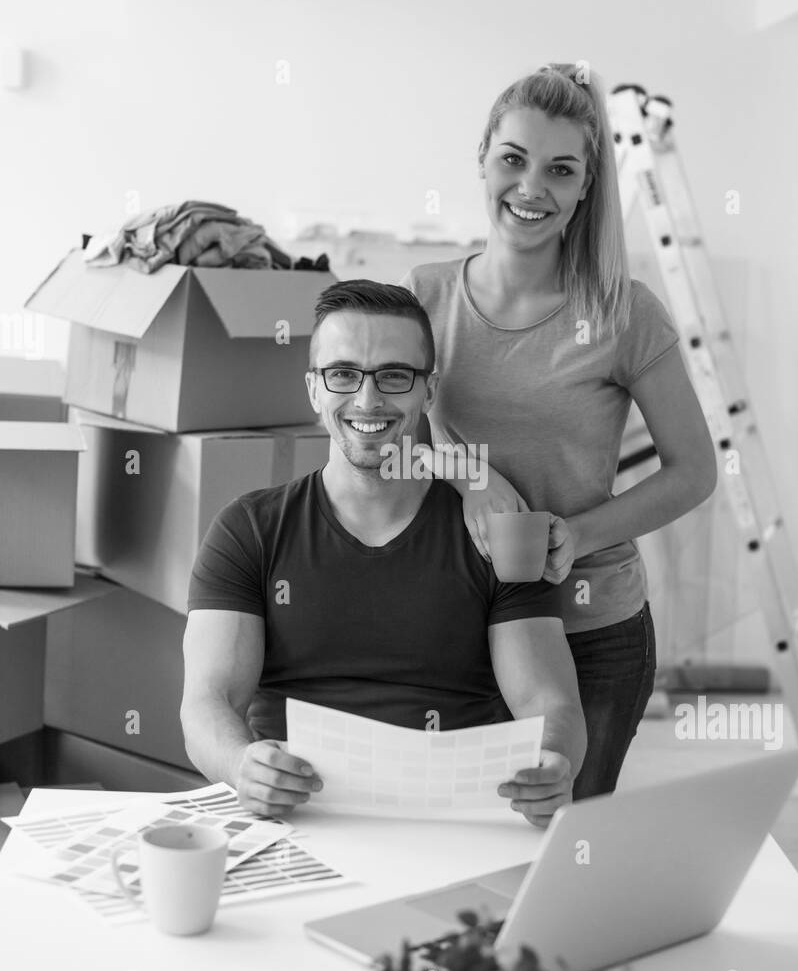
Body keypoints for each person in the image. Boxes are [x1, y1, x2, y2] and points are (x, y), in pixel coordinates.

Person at [402, 62, 718, 800]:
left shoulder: (622, 312)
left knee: (563, 840)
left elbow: (693, 471)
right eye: (512, 159)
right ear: (481, 157)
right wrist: (470, 475)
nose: (531, 188)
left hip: (591, 626)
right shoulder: (422, 296)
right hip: (459, 616)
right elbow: (384, 446)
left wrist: (577, 535)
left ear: (584, 189)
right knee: (461, 844)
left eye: (560, 170)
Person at [181, 280, 586, 828]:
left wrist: (554, 763)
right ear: (314, 390)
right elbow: (208, 702)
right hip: (298, 819)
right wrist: (239, 764)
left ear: (429, 391)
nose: (367, 401)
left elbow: (549, 702)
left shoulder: (495, 533)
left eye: (395, 376)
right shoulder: (250, 529)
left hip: (457, 820)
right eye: (343, 374)